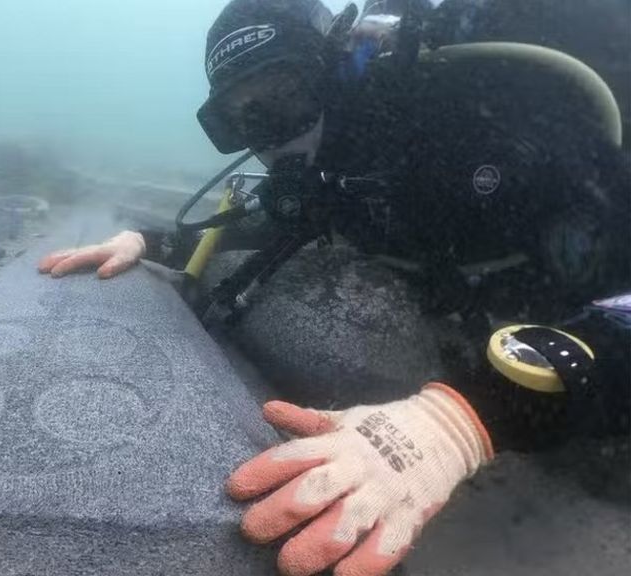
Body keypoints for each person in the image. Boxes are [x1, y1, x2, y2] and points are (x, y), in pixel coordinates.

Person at [38, 1, 630, 575]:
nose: (268, 135)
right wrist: (147, 240)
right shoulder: (339, 166)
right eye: (243, 118)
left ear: (334, 67)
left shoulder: (483, 120)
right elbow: (278, 222)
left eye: (284, 96)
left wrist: (466, 420)